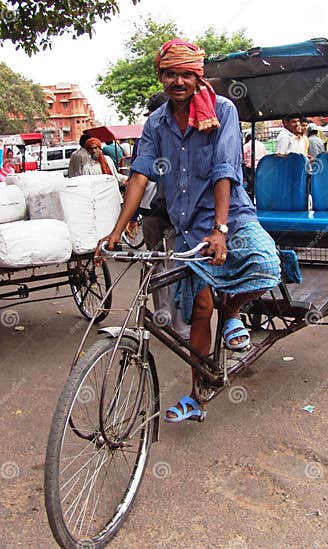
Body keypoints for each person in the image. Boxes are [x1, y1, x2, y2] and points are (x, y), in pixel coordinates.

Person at [96, 38, 281, 423]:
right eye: (170, 74)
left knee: (265, 263)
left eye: (185, 73)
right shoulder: (157, 123)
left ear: (198, 76)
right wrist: (116, 231)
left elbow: (225, 170)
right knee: (199, 309)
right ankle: (198, 392)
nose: (177, 81)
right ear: (161, 77)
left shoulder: (221, 110)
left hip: (232, 216)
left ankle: (233, 312)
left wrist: (221, 229)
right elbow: (140, 173)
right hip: (187, 225)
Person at [137, 90, 191, 340]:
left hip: (165, 213)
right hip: (156, 213)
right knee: (163, 266)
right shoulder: (150, 139)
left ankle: (170, 321)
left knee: (166, 266)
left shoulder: (176, 138)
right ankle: (169, 321)